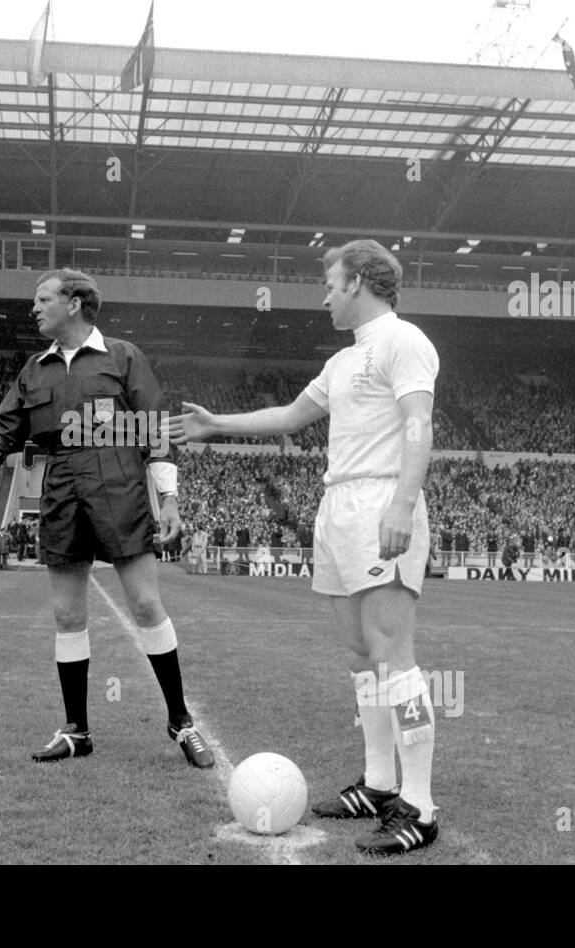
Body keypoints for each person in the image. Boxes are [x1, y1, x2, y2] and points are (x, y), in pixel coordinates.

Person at [168, 239, 440, 854]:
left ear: (360, 283)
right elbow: (291, 417)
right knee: (358, 654)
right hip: (337, 505)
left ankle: (420, 805)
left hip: (380, 501)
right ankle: (378, 782)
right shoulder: (344, 362)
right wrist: (216, 425)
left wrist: (402, 502)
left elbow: (420, 423)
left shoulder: (405, 341)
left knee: (394, 654)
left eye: (331, 282)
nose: (324, 294)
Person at [0, 269, 214, 768]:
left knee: (145, 604)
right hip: (60, 485)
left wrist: (169, 500)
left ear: (74, 303)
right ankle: (77, 729)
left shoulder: (123, 356)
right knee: (67, 615)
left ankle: (181, 721)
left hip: (118, 477)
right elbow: (3, 429)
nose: (33, 308)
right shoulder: (34, 368)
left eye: (43, 299)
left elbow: (155, 433)